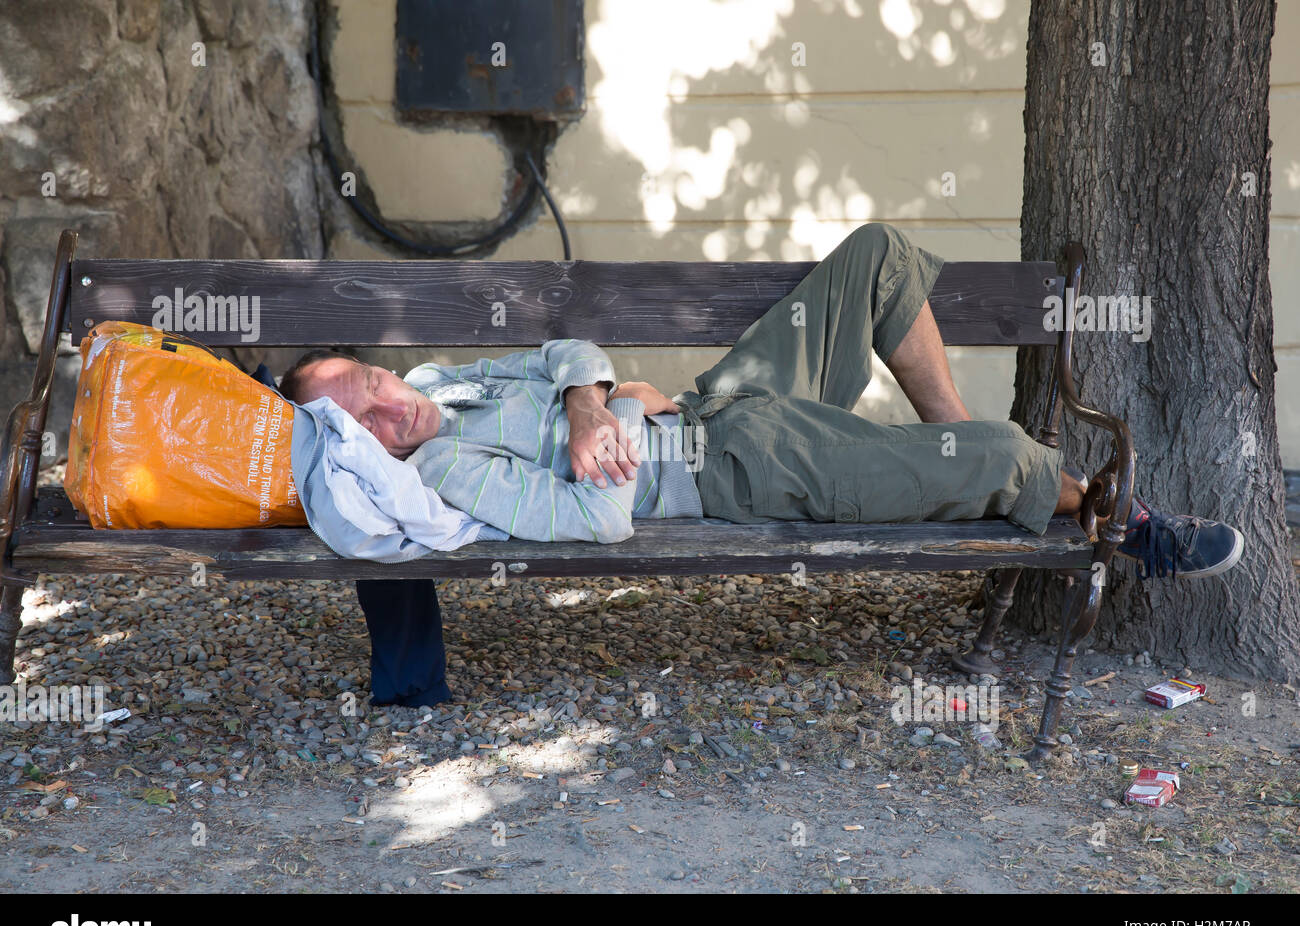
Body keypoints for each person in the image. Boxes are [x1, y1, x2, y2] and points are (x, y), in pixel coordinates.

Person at [279, 223, 1244, 696]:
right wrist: (602, 440)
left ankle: (943, 455)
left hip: (714, 401)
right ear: (351, 447)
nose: (386, 402)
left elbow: (564, 350)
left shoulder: (443, 381)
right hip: (738, 467)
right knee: (1000, 451)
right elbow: (604, 521)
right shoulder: (444, 474)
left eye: (369, 378)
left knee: (875, 253)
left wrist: (592, 407)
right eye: (361, 416)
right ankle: (1130, 527)